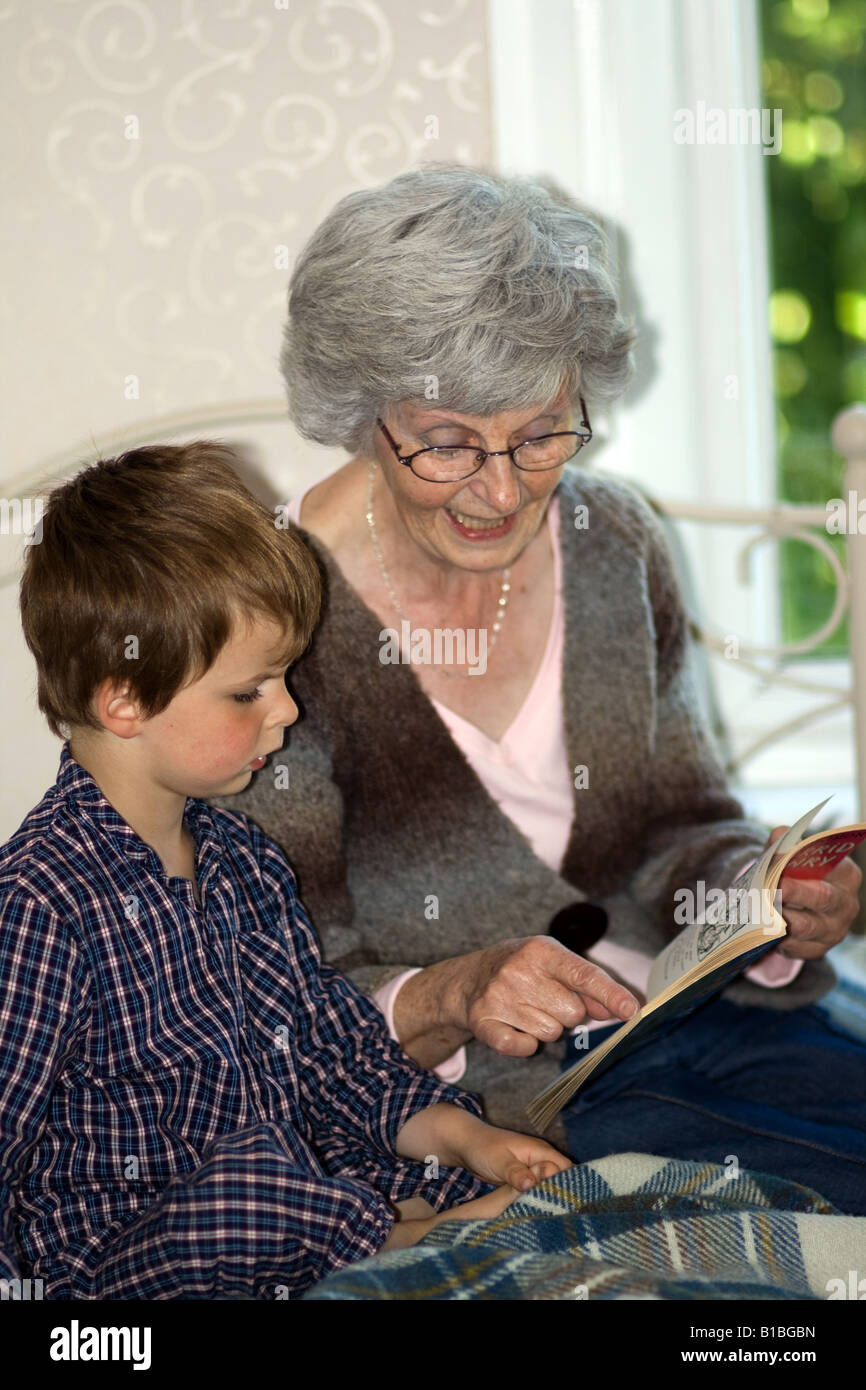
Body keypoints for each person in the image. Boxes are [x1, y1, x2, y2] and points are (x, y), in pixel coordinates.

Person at [214, 162, 866, 1213]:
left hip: (713, 1020)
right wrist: (454, 990)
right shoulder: (260, 630)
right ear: (359, 410)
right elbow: (267, 993)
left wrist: (762, 895)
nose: (503, 488)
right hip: (512, 1108)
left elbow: (674, 831)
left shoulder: (609, 540)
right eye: (446, 445)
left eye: (539, 432)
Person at [0, 441, 570, 1301]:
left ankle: (421, 1223)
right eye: (249, 691)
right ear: (123, 700)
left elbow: (334, 1053)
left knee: (368, 1158)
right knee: (257, 1186)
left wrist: (462, 1138)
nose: (289, 709)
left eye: (286, 677)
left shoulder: (245, 862)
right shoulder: (39, 901)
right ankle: (411, 1237)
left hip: (295, 1203)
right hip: (129, 1261)